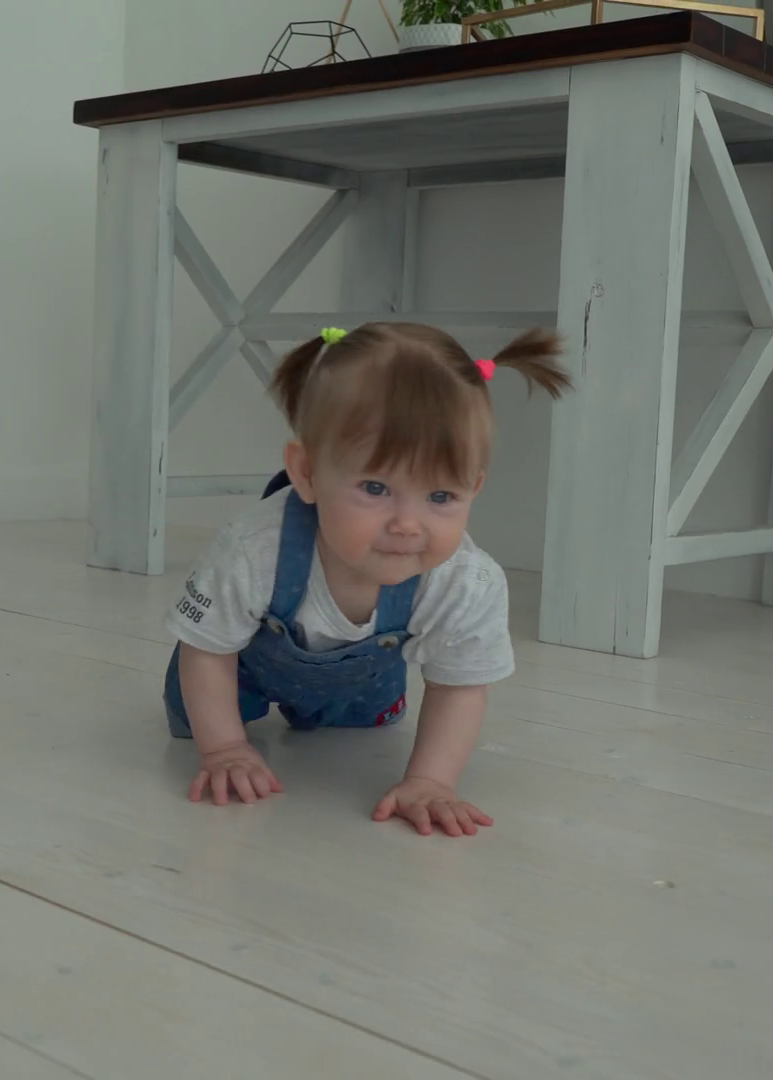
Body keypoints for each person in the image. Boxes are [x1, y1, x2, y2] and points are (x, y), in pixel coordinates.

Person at [161, 321, 572, 836]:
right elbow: (207, 651)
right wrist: (224, 748)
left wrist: (431, 780)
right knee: (192, 716)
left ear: (475, 487)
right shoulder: (253, 549)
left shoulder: (466, 581)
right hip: (235, 666)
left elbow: (459, 687)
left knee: (359, 734)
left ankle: (337, 710)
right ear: (306, 473)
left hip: (362, 684)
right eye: (376, 488)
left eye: (441, 496)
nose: (408, 524)